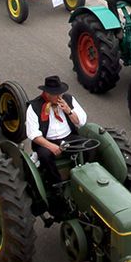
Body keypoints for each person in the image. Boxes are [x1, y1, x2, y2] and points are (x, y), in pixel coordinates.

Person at [26, 75, 89, 205]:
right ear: (46, 93)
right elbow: (34, 135)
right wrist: (51, 146)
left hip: (68, 137)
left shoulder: (68, 100)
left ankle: (84, 175)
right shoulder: (34, 107)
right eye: (55, 94)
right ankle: (56, 186)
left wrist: (69, 111)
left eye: (60, 93)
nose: (59, 97)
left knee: (86, 146)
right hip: (47, 141)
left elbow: (81, 122)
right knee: (45, 156)